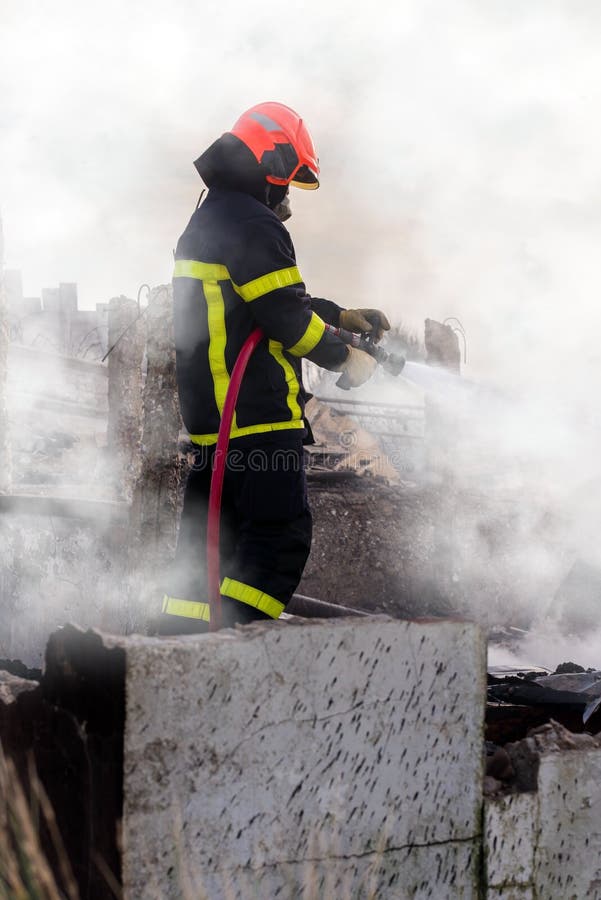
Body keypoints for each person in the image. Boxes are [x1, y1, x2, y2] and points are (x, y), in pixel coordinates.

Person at [156, 101, 390, 634]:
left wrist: (340, 316)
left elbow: (266, 301)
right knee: (278, 541)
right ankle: (233, 651)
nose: (287, 196)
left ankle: (172, 656)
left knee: (207, 557)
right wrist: (343, 355)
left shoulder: (211, 218)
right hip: (259, 420)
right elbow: (286, 320)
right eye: (287, 182)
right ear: (271, 164)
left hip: (216, 429)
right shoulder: (253, 223)